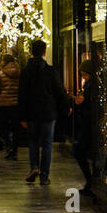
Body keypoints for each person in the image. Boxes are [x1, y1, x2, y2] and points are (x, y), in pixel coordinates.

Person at [18, 39, 69, 186]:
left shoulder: (26, 71)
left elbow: (21, 95)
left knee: (33, 142)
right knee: (47, 144)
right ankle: (44, 175)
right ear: (44, 52)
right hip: (48, 112)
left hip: (31, 113)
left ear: (31, 52)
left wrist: (22, 116)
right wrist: (66, 106)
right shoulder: (50, 70)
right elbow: (60, 91)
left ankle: (34, 167)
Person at [71, 57, 96, 196]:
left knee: (79, 150)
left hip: (89, 124)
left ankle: (91, 181)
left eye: (85, 75)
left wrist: (82, 101)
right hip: (87, 123)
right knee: (79, 150)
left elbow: (89, 103)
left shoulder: (92, 86)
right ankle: (91, 181)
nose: (84, 78)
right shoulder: (89, 85)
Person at [0, 54, 22, 159]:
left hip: (3, 104)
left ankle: (9, 147)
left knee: (5, 128)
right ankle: (15, 149)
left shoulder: (1, 74)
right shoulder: (19, 72)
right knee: (15, 128)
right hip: (16, 104)